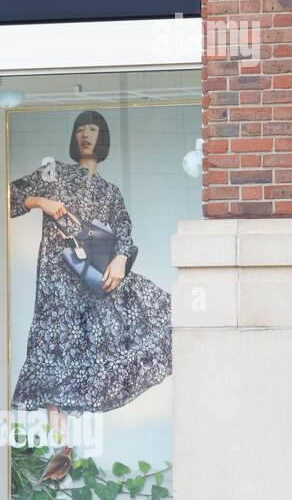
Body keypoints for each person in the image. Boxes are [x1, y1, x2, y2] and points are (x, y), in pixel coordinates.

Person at [8, 111, 172, 477]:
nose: (85, 135)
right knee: (51, 361)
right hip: (55, 287)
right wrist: (41, 202)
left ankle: (66, 446)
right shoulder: (55, 174)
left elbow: (125, 232)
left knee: (137, 323)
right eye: (80, 129)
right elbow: (9, 196)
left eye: (93, 129)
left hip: (92, 287)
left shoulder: (111, 192)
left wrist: (119, 259)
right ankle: (61, 447)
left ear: (103, 137)